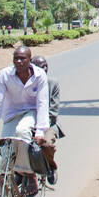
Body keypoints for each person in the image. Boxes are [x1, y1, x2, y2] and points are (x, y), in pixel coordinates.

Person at [0, 44, 50, 189]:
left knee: (22, 131)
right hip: (11, 114)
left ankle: (29, 174)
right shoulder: (4, 75)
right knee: (6, 151)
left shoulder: (39, 76)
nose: (19, 62)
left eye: (22, 59)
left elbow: (43, 104)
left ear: (29, 60)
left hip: (31, 112)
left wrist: (40, 132)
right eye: (16, 59)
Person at [31, 54, 61, 186]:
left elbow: (53, 111)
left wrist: (40, 126)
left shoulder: (52, 83)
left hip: (47, 124)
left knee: (47, 144)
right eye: (38, 67)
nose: (42, 69)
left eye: (44, 66)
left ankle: (51, 166)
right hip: (29, 123)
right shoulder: (27, 84)